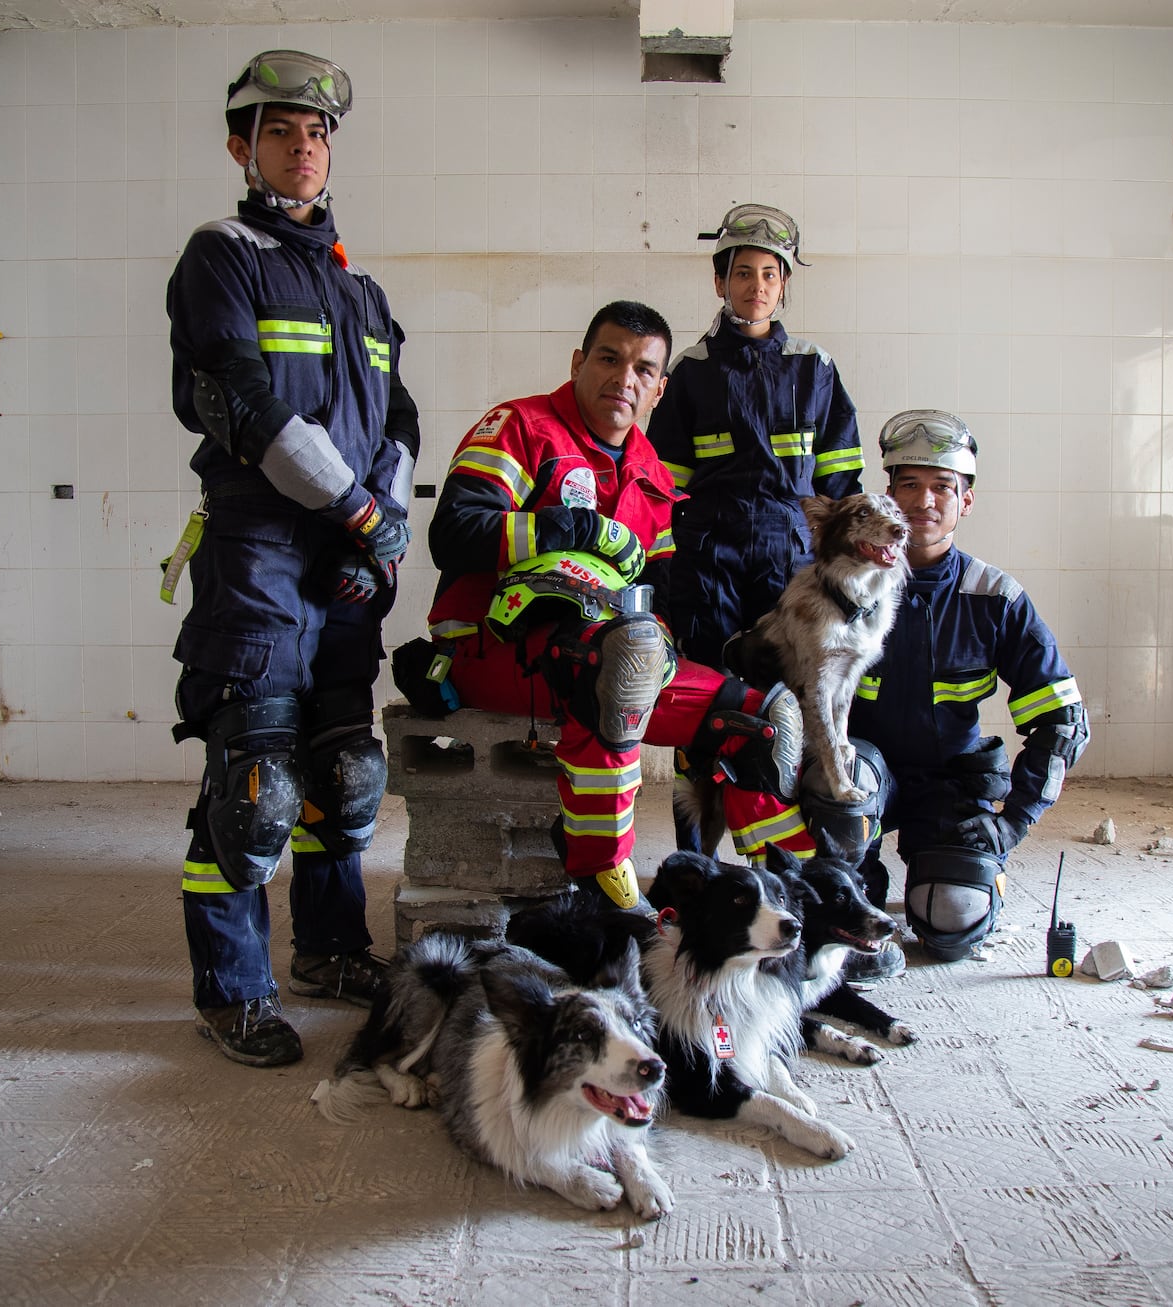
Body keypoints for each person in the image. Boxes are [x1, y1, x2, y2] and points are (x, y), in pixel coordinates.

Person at [163, 49, 419, 1067]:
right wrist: (359, 508)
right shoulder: (221, 255)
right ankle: (233, 989)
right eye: (279, 130)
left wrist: (382, 525)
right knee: (254, 786)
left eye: (316, 132)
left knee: (342, 773)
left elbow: (397, 413)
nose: (302, 147)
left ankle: (330, 949)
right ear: (242, 146)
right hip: (260, 551)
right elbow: (235, 397)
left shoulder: (357, 288)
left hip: (348, 559)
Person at [420, 301, 814, 911]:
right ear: (579, 362)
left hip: (615, 656)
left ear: (659, 388)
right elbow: (454, 532)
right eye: (609, 358)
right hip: (493, 647)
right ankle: (604, 892)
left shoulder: (650, 471)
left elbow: (660, 592)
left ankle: (792, 894)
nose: (623, 379)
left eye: (642, 369)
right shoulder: (522, 427)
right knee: (621, 668)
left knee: (760, 723)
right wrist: (572, 528)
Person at [645, 204, 862, 851]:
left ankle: (770, 857)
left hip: (788, 569)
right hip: (706, 565)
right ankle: (693, 856)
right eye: (743, 272)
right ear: (720, 282)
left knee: (783, 709)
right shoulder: (690, 373)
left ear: (783, 285)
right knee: (701, 702)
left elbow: (841, 489)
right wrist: (661, 575)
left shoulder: (814, 370)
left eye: (771, 273)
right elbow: (662, 489)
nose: (757, 285)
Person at [848, 411, 1089, 965]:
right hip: (859, 777)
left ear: (966, 501)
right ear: (889, 494)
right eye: (909, 484)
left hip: (949, 782)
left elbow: (1062, 722)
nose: (924, 501)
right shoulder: (844, 585)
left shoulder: (995, 598)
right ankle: (853, 871)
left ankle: (959, 878)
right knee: (840, 921)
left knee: (951, 919)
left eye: (942, 488)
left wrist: (1012, 823)